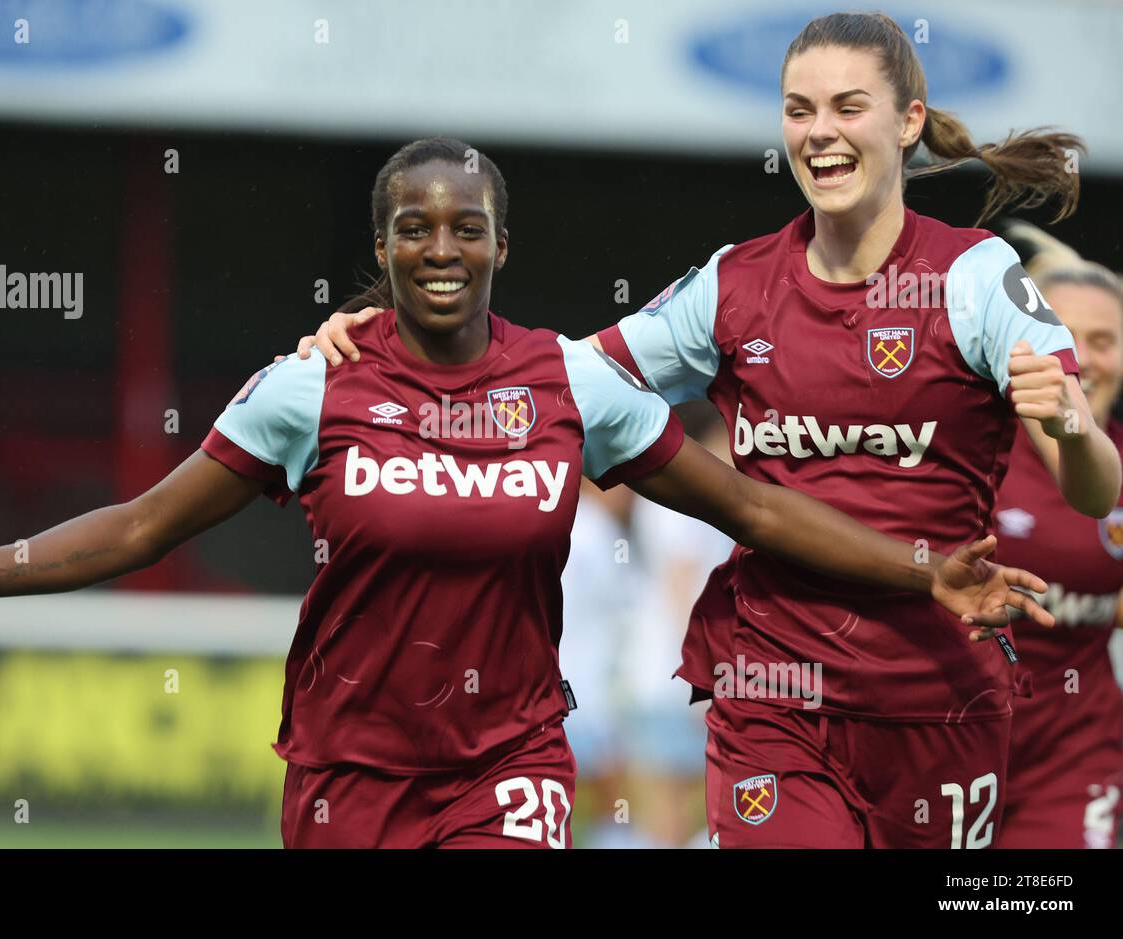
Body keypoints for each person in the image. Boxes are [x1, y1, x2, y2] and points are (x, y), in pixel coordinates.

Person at [0, 137, 1052, 850]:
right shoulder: (308, 390)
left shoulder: (569, 382)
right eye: (413, 229)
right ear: (379, 250)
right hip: (344, 771)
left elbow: (746, 507)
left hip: (511, 760)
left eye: (464, 229)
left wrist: (918, 570)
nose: (439, 248)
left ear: (500, 246)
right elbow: (144, 523)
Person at [297, 14, 1120, 848]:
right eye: (799, 110)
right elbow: (550, 381)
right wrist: (381, 347)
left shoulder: (975, 275)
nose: (820, 133)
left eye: (847, 106)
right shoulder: (735, 285)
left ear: (908, 122)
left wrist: (1072, 423)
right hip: (775, 692)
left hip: (941, 699)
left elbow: (1094, 487)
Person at [990, 222, 1123, 848]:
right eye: (1067, 339)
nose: (1086, 360)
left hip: (1075, 755)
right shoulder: (964, 446)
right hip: (943, 737)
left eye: (1106, 341)